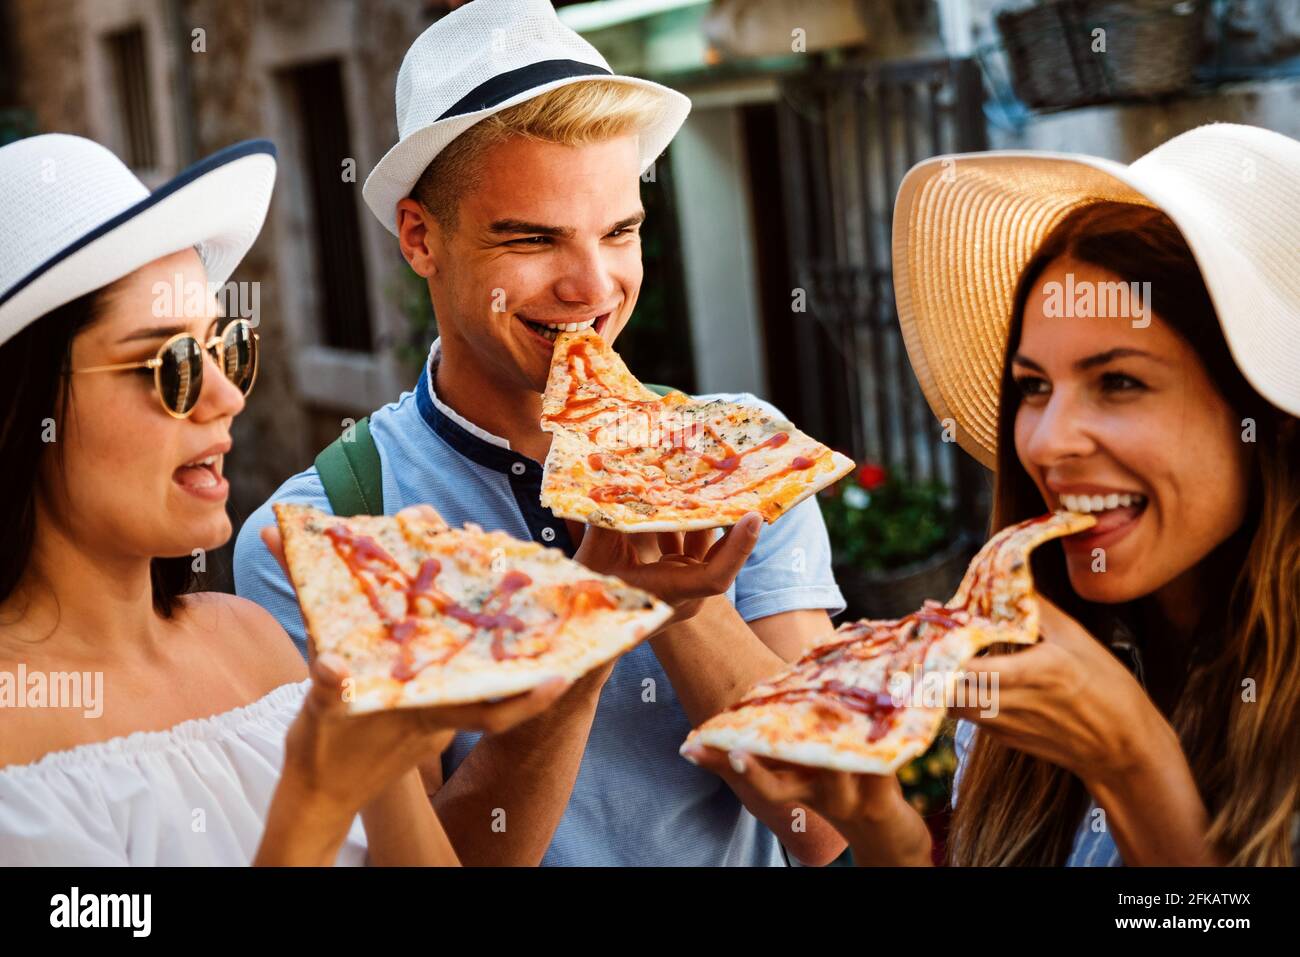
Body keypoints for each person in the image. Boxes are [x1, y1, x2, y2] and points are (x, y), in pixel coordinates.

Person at [235, 0, 848, 866]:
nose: (593, 287)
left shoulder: (738, 452)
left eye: (621, 231)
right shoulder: (320, 538)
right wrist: (594, 616)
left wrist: (681, 588)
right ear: (420, 236)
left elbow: (817, 829)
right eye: (533, 239)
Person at [688, 123, 1300, 866]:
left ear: (1266, 420)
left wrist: (1134, 766)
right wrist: (893, 838)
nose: (1044, 442)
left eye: (1120, 382)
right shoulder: (1029, 664)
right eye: (1034, 387)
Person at [0, 133, 566, 866]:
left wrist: (382, 719)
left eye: (227, 346)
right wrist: (318, 795)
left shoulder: (254, 639)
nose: (226, 394)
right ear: (21, 412)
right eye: (168, 362)